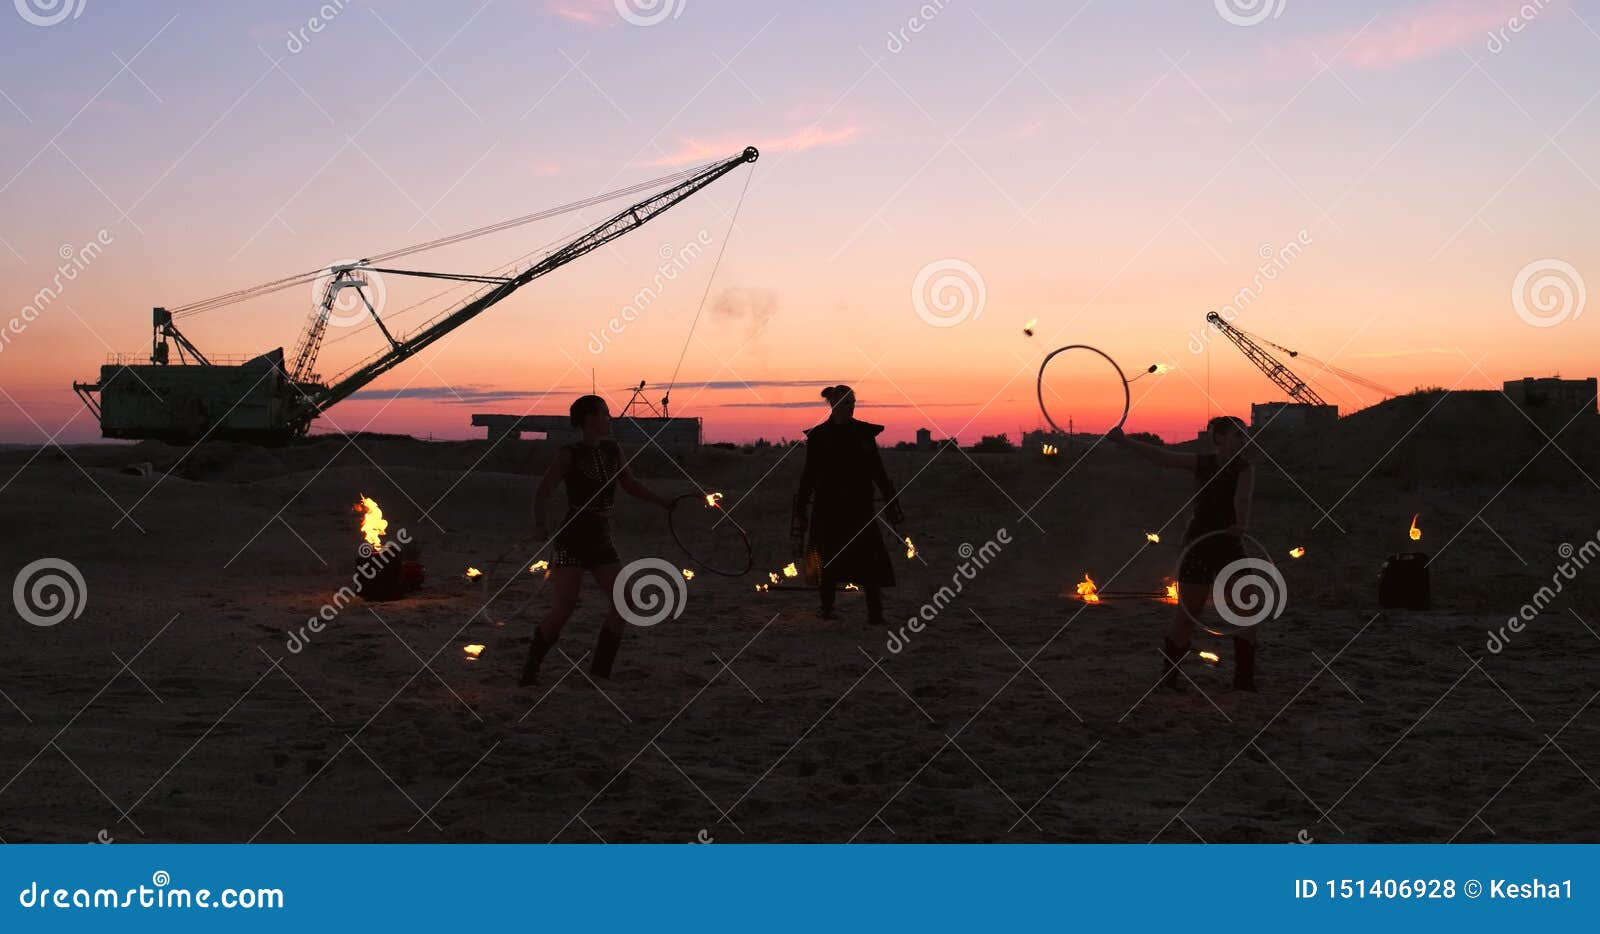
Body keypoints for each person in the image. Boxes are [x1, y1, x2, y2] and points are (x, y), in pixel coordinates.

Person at [521, 395, 673, 685]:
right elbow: (542, 492)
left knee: (625, 599)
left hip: (601, 537)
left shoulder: (613, 450)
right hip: (572, 539)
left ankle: (600, 671)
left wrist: (662, 502)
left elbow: (630, 484)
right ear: (589, 418)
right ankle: (532, 664)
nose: (609, 418)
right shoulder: (568, 454)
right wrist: (539, 525)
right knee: (564, 608)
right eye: (604, 413)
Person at [1109, 416, 1259, 692]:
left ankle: (1244, 680)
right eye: (1238, 434)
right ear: (1220, 437)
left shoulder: (1244, 468)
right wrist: (1125, 441)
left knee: (1245, 608)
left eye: (1245, 434)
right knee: (1189, 611)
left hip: (1229, 542)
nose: (1244, 439)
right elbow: (1163, 457)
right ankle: (1169, 678)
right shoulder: (1203, 463)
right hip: (1199, 542)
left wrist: (1241, 524)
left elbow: (1243, 497)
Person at [792, 385, 903, 626]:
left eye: (852, 403)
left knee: (869, 561)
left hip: (859, 508)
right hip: (828, 509)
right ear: (833, 405)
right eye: (845, 403)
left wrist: (890, 498)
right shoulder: (820, 437)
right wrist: (801, 507)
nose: (850, 407)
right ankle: (827, 608)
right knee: (827, 560)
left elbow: (877, 470)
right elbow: (808, 475)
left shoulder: (863, 434)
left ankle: (875, 613)